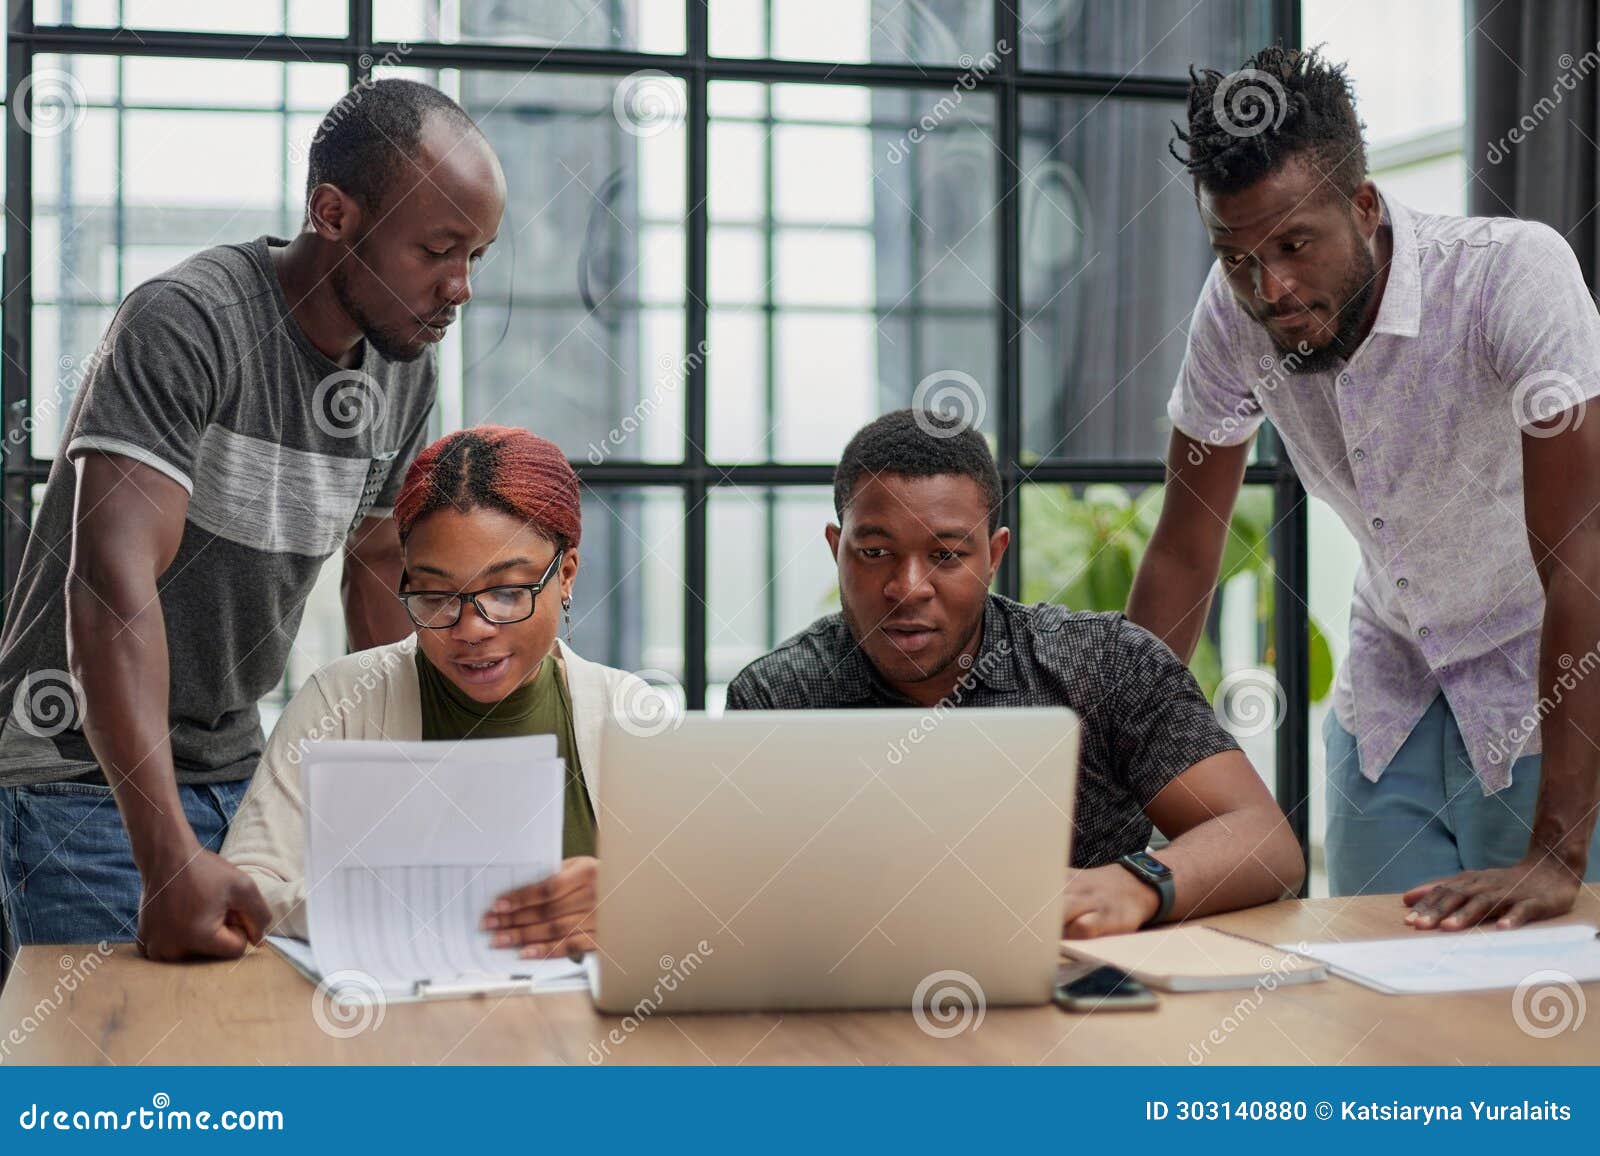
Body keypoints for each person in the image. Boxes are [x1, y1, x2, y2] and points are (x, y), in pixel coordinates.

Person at [0, 78, 505, 968]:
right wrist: (163, 857)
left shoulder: (401, 364)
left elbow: (380, 564)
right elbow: (111, 588)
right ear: (333, 212)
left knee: (265, 1047)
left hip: (241, 771)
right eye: (437, 250)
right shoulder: (188, 324)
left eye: (477, 255)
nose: (458, 287)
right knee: (126, 1073)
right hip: (81, 782)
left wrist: (390, 799)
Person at [1127, 45, 1600, 929]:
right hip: (1391, 712)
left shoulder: (1510, 276)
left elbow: (1580, 554)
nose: (1270, 288)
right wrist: (1107, 780)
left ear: (1366, 206)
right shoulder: (1233, 313)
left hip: (1556, 700)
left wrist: (1554, 851)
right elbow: (1187, 552)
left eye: (1295, 245)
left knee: (1549, 1025)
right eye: (1237, 258)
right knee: (1382, 1016)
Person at [725, 409, 1304, 939]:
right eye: (875, 553)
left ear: (994, 555)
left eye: (947, 555)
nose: (908, 588)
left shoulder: (1104, 664)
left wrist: (1137, 882)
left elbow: (1267, 843)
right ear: (836, 549)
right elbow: (738, 902)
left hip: (1076, 1004)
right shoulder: (778, 697)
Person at [224, 426, 641, 960]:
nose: (471, 629)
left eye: (508, 592)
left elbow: (708, 900)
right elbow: (245, 888)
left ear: (567, 577)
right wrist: (409, 903)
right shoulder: (342, 700)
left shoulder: (630, 713)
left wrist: (631, 904)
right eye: (436, 595)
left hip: (581, 1035)